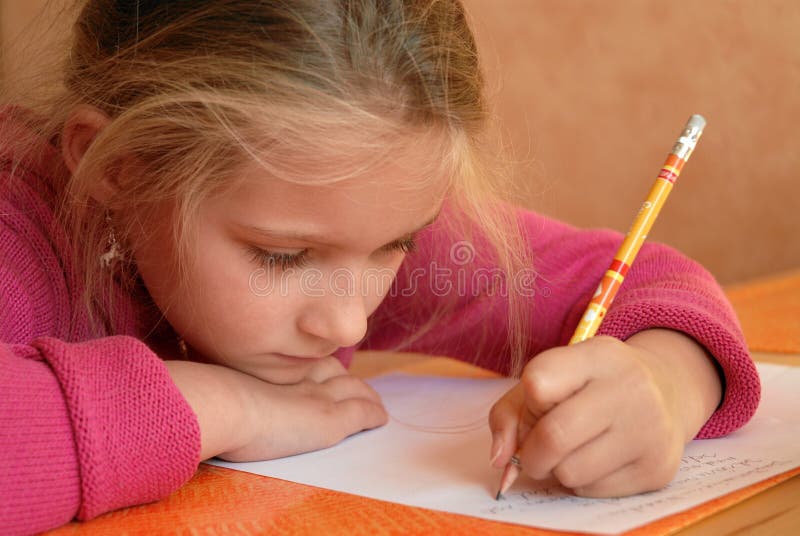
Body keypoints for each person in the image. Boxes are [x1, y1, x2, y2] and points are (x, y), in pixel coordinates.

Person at [0, 0, 759, 533]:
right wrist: (223, 409)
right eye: (282, 255)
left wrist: (666, 378)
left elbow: (644, 275)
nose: (348, 318)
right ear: (122, 171)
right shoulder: (20, 241)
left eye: (399, 242)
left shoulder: (346, 213)